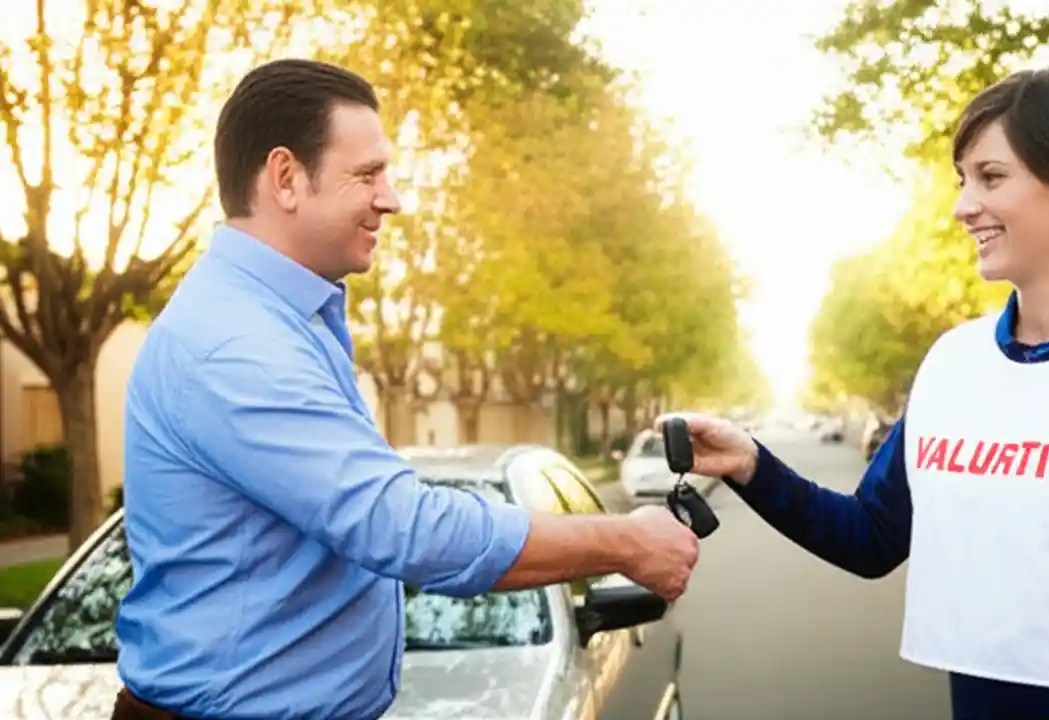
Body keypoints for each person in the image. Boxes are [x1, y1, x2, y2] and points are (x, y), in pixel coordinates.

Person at [667, 67, 1049, 719]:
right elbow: (872, 538)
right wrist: (750, 464)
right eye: (964, 181)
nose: (963, 206)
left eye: (991, 177)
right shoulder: (952, 363)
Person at [113, 59, 699, 720]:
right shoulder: (235, 344)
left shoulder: (274, 323)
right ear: (284, 178)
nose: (390, 198)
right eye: (367, 174)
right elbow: (403, 528)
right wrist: (626, 541)